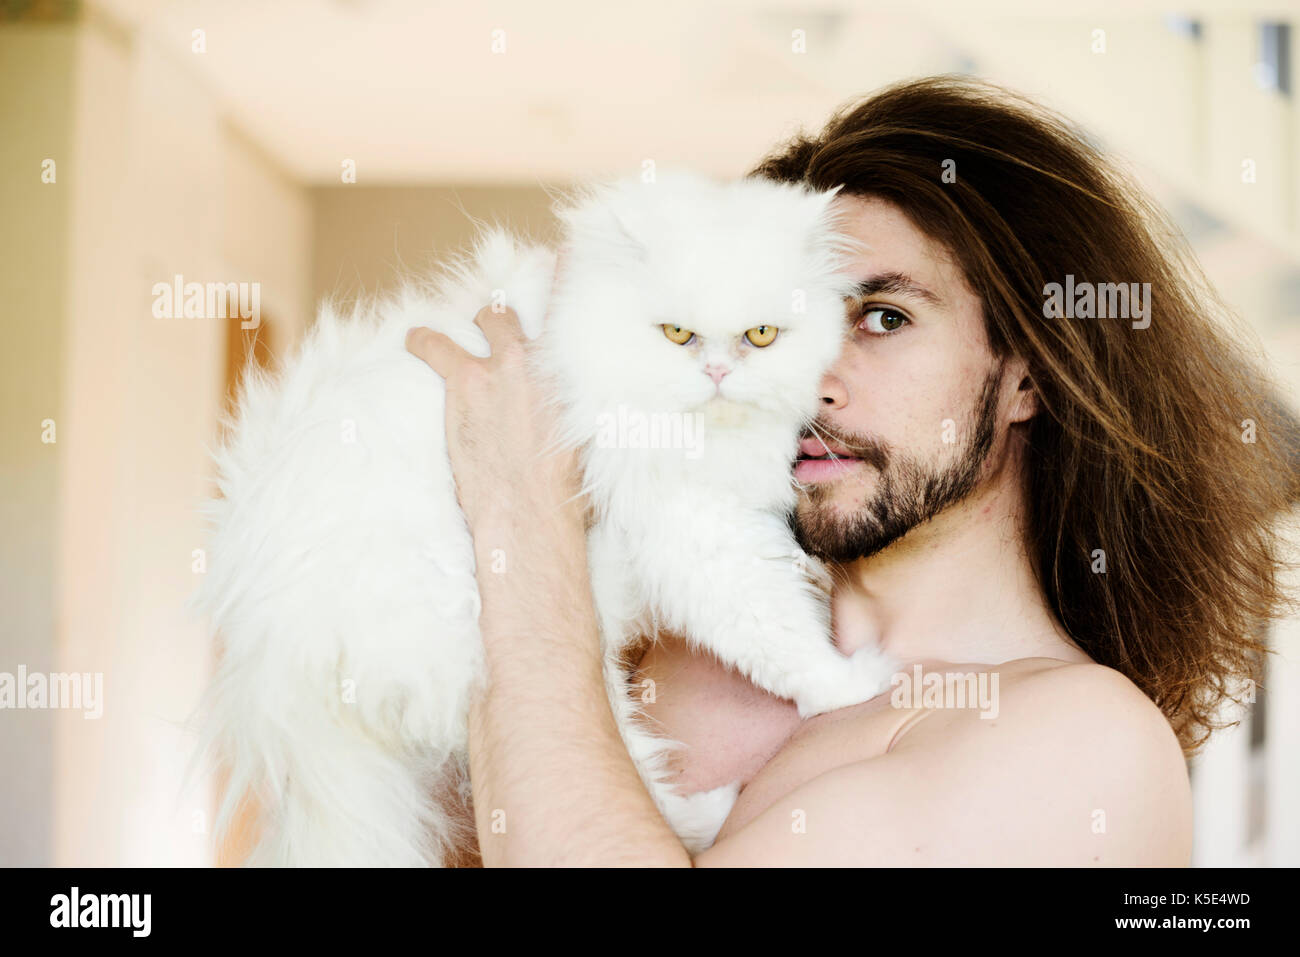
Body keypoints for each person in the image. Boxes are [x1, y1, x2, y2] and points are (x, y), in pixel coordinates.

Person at [405, 76, 1296, 866]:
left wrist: (523, 519)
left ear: (1028, 374)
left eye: (881, 317)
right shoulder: (665, 649)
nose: (809, 380)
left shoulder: (1084, 740)